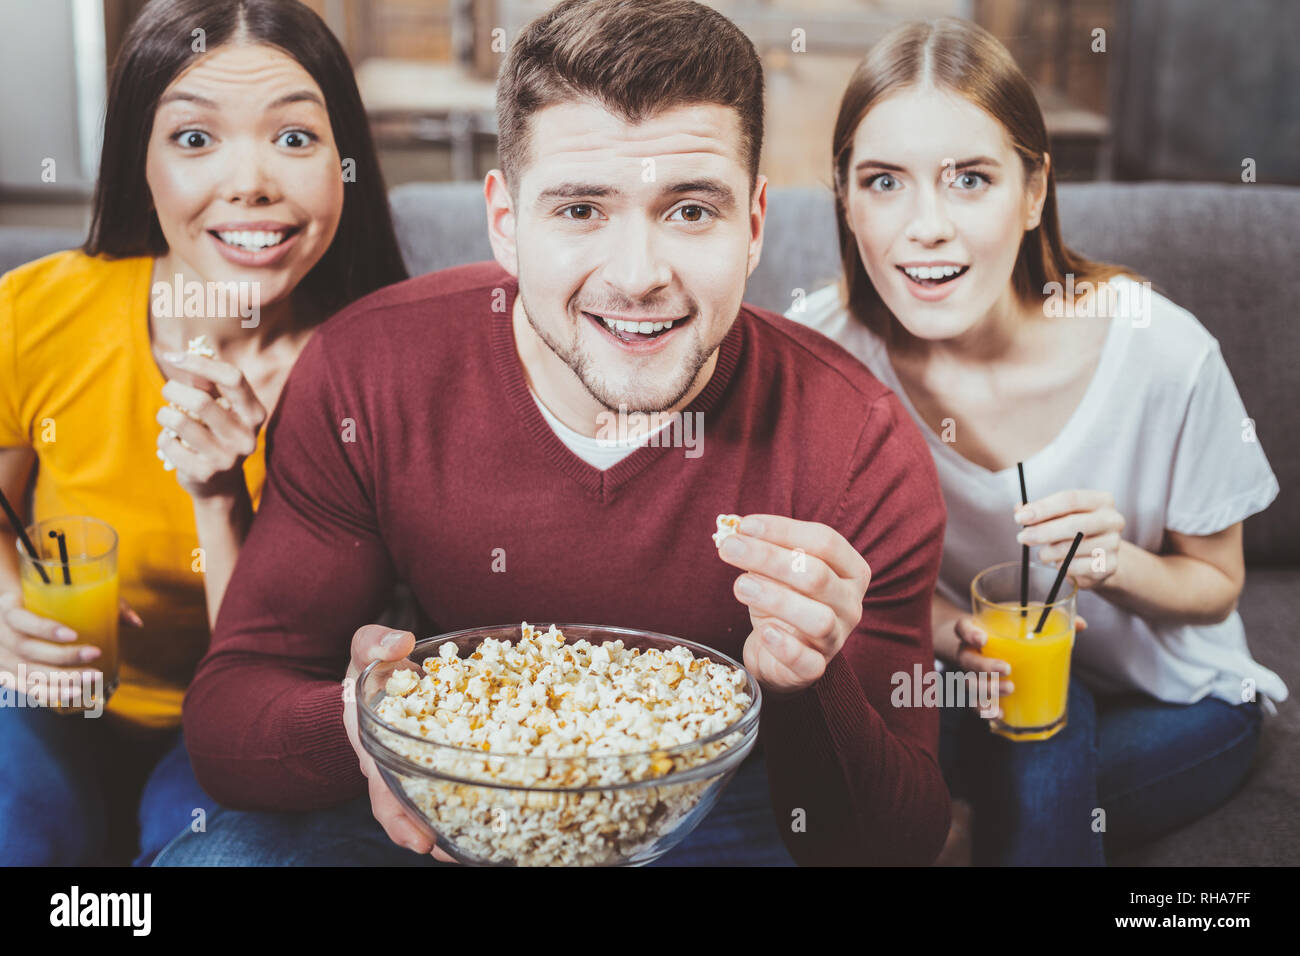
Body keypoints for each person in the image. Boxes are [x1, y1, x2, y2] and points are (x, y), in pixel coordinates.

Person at [154, 0, 950, 868]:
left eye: (690, 210)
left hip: (722, 807)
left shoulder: (855, 444)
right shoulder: (367, 373)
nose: (639, 276)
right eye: (580, 210)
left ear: (754, 224)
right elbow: (231, 713)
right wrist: (370, 729)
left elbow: (894, 849)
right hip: (448, 796)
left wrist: (813, 683)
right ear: (505, 220)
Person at [787, 17, 1286, 865]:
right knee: (1024, 731)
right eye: (883, 182)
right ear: (843, 195)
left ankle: (964, 819)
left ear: (1033, 191)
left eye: (970, 179)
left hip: (1175, 703)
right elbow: (850, 581)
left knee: (1041, 749)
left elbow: (1217, 587)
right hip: (960, 681)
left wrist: (1112, 565)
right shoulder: (823, 354)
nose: (926, 226)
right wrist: (965, 640)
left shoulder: (1164, 354)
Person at [0, 0, 407, 866]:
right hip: (37, 698)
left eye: (294, 139)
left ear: (346, 163)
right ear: (137, 166)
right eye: (194, 140)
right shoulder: (41, 308)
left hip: (237, 727)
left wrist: (218, 499)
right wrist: (2, 605)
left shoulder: (383, 373)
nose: (251, 181)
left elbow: (267, 680)